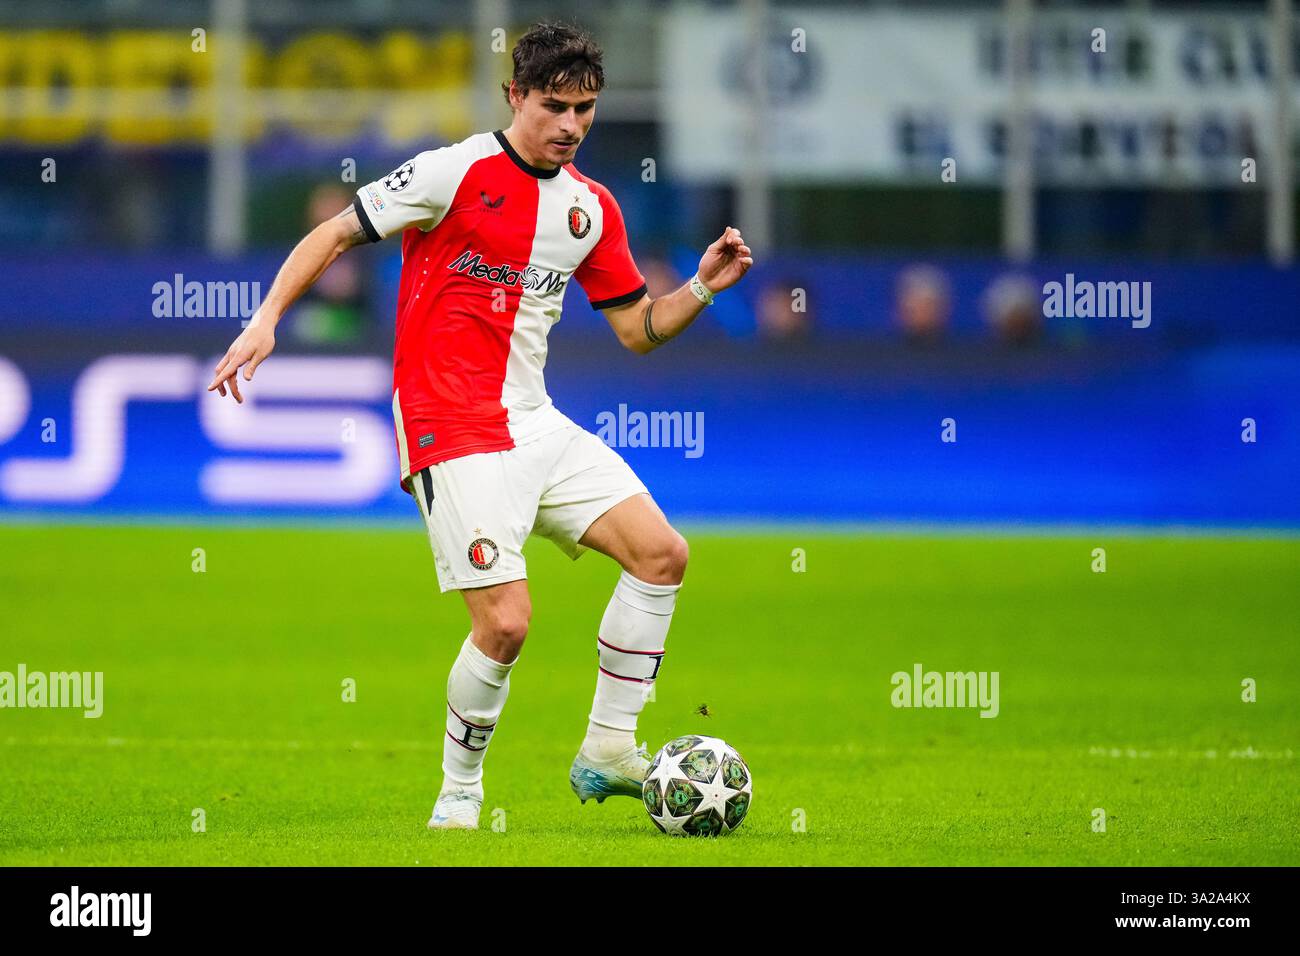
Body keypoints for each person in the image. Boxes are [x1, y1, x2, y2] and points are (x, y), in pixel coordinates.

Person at [205, 20, 754, 830]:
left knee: (663, 553)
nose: (570, 125)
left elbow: (637, 329)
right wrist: (266, 320)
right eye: (554, 106)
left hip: (534, 420)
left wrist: (704, 289)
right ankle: (458, 793)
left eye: (586, 109)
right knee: (506, 624)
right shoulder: (450, 172)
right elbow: (333, 232)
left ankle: (607, 749)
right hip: (447, 424)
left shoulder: (591, 210)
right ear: (515, 96)